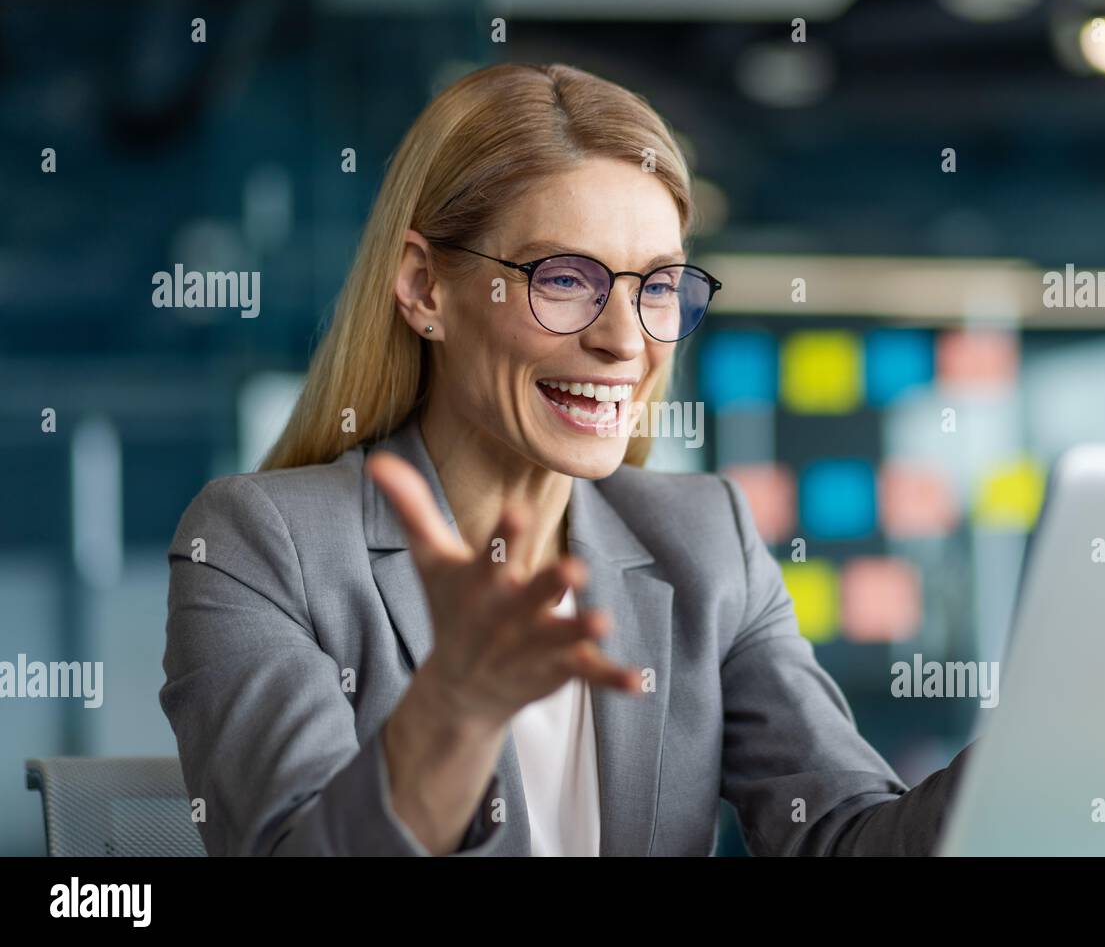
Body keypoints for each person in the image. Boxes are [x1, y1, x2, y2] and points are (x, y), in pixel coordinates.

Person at [160, 62, 973, 856]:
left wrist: (1047, 747)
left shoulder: (706, 542)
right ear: (423, 287)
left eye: (656, 286)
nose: (624, 340)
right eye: (565, 278)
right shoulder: (263, 545)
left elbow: (841, 833)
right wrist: (452, 723)